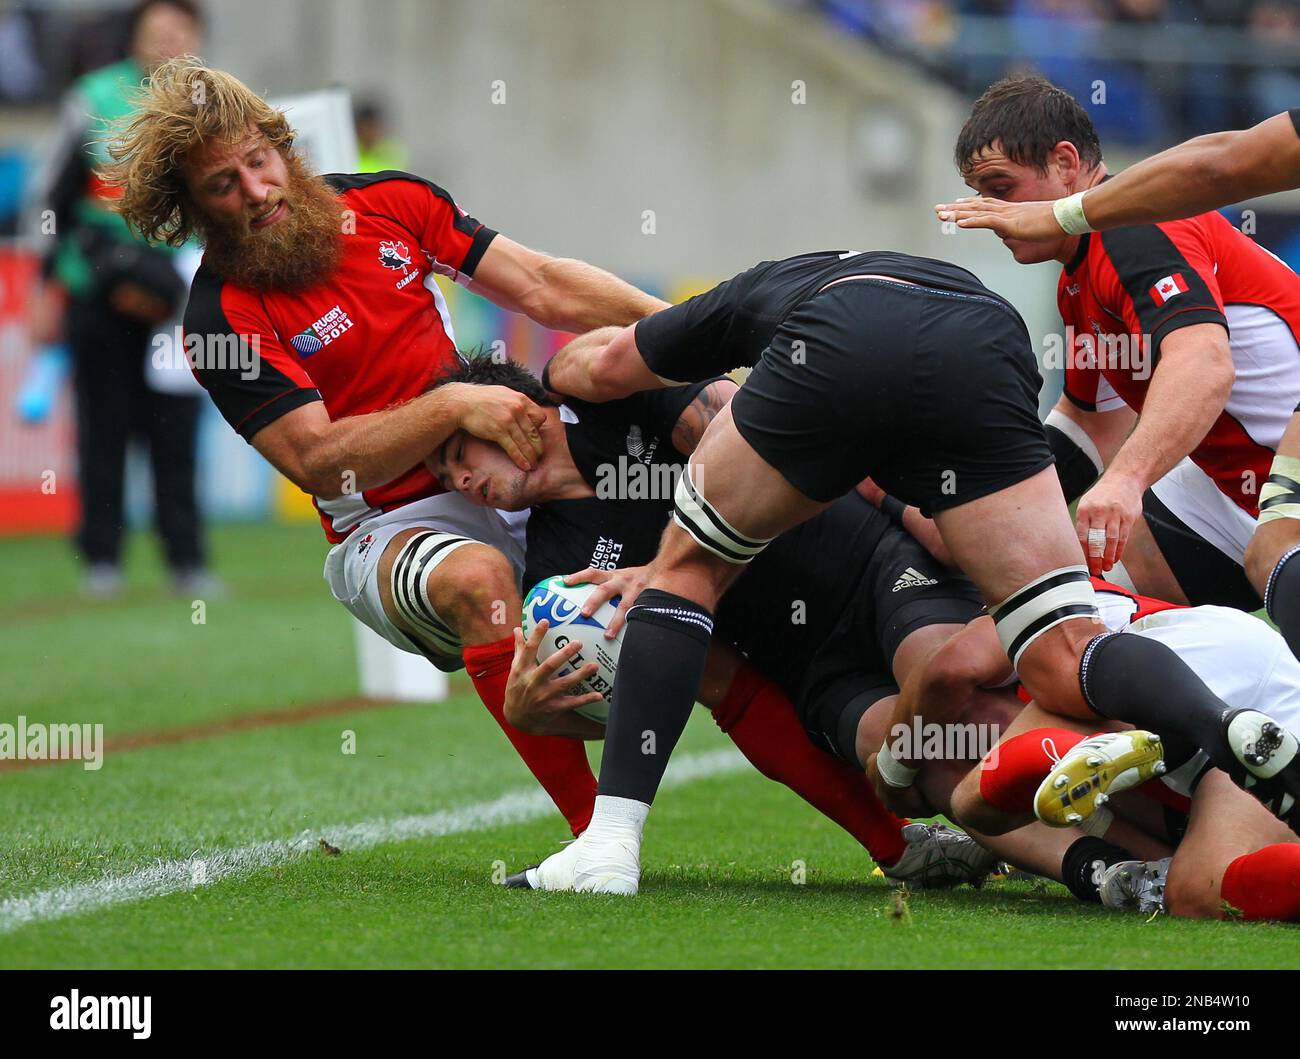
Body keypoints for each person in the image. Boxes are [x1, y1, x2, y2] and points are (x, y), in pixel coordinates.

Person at [519, 247, 1300, 895]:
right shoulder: (818, 290)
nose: (471, 477)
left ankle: (611, 842)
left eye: (463, 450)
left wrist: (556, 376)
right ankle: (1156, 819)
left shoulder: (744, 306)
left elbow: (617, 359)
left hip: (877, 554)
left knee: (691, 577)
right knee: (1031, 718)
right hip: (986, 336)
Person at [105, 56, 669, 839]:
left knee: (694, 561)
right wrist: (448, 404)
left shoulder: (391, 201)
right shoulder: (220, 319)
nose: (256, 192)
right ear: (192, 208)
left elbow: (542, 285)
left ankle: (886, 827)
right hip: (385, 528)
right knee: (481, 581)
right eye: (222, 185)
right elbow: (316, 459)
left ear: (281, 144)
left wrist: (699, 331)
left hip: (502, 473)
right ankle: (596, 838)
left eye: (257, 162)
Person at [935, 99, 1300, 656]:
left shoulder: (1132, 233)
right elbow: (1087, 430)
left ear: (1065, 163)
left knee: (1273, 554)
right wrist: (977, 509)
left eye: (999, 187)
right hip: (1232, 484)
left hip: (1275, 472)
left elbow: (1204, 365)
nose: (988, 213)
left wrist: (1126, 481)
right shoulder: (1078, 281)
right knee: (1053, 623)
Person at [29, 0, 211, 596]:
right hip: (99, 292)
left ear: (197, 38)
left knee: (176, 430)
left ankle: (187, 563)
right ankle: (101, 561)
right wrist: (43, 284)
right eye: (156, 29)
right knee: (101, 429)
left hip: (179, 299)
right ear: (133, 37)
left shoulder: (215, 103)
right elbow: (50, 200)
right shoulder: (93, 98)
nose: (167, 39)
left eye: (180, 30)